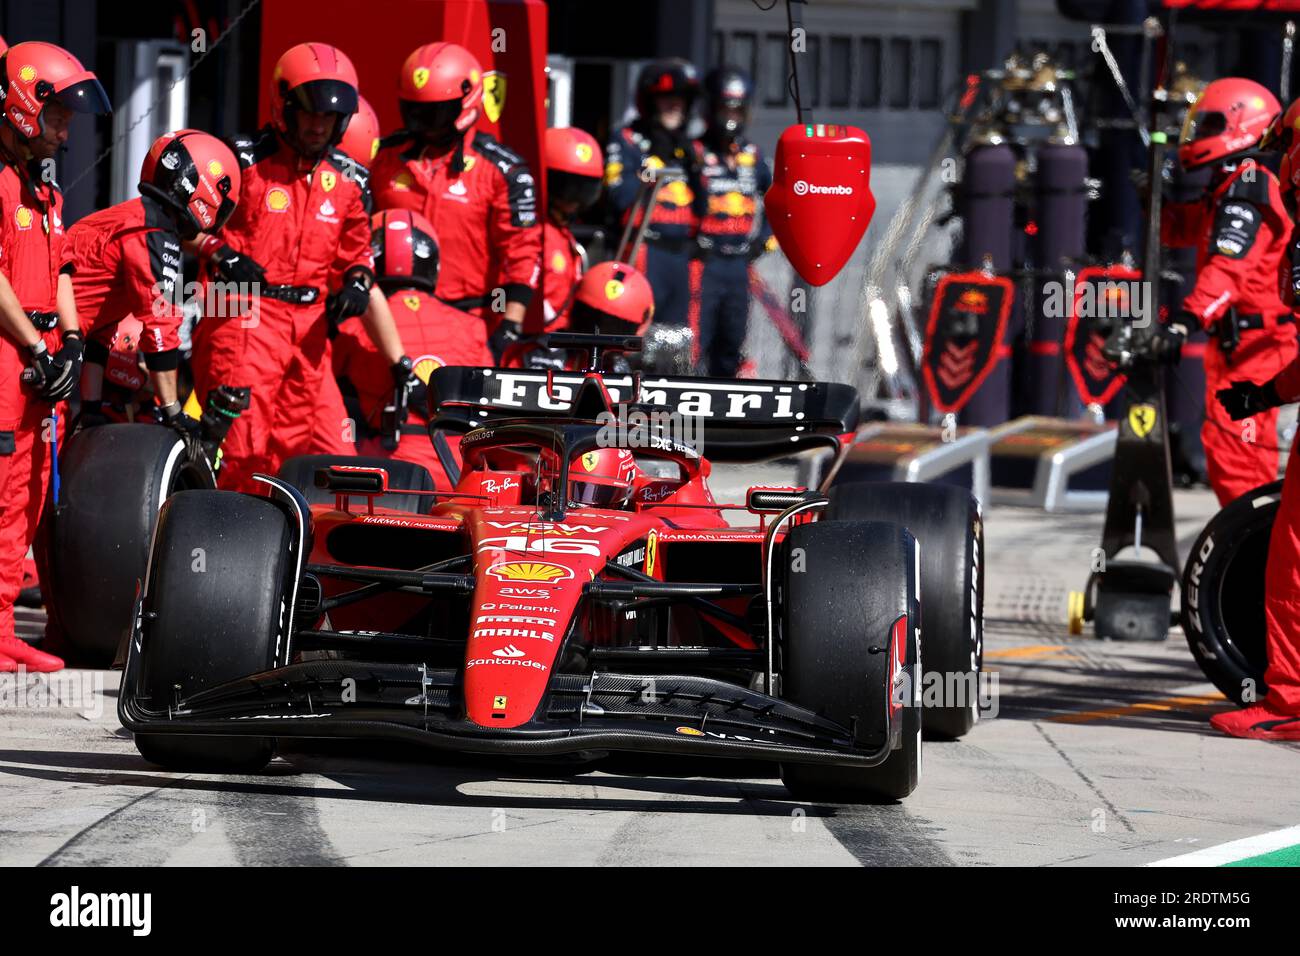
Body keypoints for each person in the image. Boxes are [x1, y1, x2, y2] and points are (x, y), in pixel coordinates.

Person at [189, 42, 407, 491]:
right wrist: (218, 250)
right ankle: (233, 549)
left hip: (310, 332)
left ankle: (314, 555)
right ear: (283, 106)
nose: (316, 126)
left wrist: (358, 283)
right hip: (241, 316)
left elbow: (358, 251)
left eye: (327, 118)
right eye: (308, 114)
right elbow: (180, 220)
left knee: (334, 454)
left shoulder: (350, 178)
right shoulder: (241, 159)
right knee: (245, 453)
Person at [0, 41, 111, 672]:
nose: (67, 128)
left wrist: (70, 341)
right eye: (60, 114)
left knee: (33, 492)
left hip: (40, 354)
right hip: (10, 353)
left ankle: (5, 625)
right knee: (1, 491)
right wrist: (31, 344)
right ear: (23, 105)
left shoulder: (45, 191)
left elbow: (64, 268)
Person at [1162, 77, 1295, 506]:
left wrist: (1186, 321)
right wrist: (1153, 200)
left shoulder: (1250, 182)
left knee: (1243, 474)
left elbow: (1229, 268)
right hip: (1239, 347)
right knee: (1229, 461)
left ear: (1241, 123)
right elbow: (1192, 233)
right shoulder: (1233, 183)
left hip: (1257, 351)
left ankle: (1251, 564)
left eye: (1209, 124)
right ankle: (1248, 562)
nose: (1199, 134)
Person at [65, 129, 240, 445]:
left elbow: (99, 331)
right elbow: (160, 325)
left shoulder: (130, 217)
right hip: (40, 346)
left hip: (52, 342)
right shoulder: (152, 230)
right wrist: (174, 413)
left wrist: (90, 408)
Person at [371, 42, 541, 356]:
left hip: (467, 321)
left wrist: (511, 324)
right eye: (416, 111)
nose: (424, 123)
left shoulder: (502, 169)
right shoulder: (383, 158)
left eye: (435, 113)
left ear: (466, 101)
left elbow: (522, 251)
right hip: (390, 317)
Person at [332, 208, 490, 487]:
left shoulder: (352, 328)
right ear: (433, 264)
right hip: (463, 469)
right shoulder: (473, 327)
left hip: (390, 471)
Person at [605, 60, 706, 332]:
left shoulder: (691, 149)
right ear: (649, 102)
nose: (674, 106)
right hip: (642, 251)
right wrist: (655, 163)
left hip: (682, 259)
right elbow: (619, 196)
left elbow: (704, 207)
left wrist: (695, 170)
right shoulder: (625, 139)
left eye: (680, 99)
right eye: (666, 99)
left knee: (679, 342)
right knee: (635, 336)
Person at [691, 67, 776, 377]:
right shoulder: (694, 153)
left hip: (739, 266)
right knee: (695, 346)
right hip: (702, 264)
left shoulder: (753, 156)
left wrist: (764, 240)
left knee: (731, 345)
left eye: (737, 109)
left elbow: (781, 201)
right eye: (724, 108)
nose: (731, 116)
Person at [541, 126, 603, 328]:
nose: (574, 202)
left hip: (560, 345)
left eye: (583, 191)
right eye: (567, 189)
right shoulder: (532, 234)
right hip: (534, 344)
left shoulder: (563, 234)